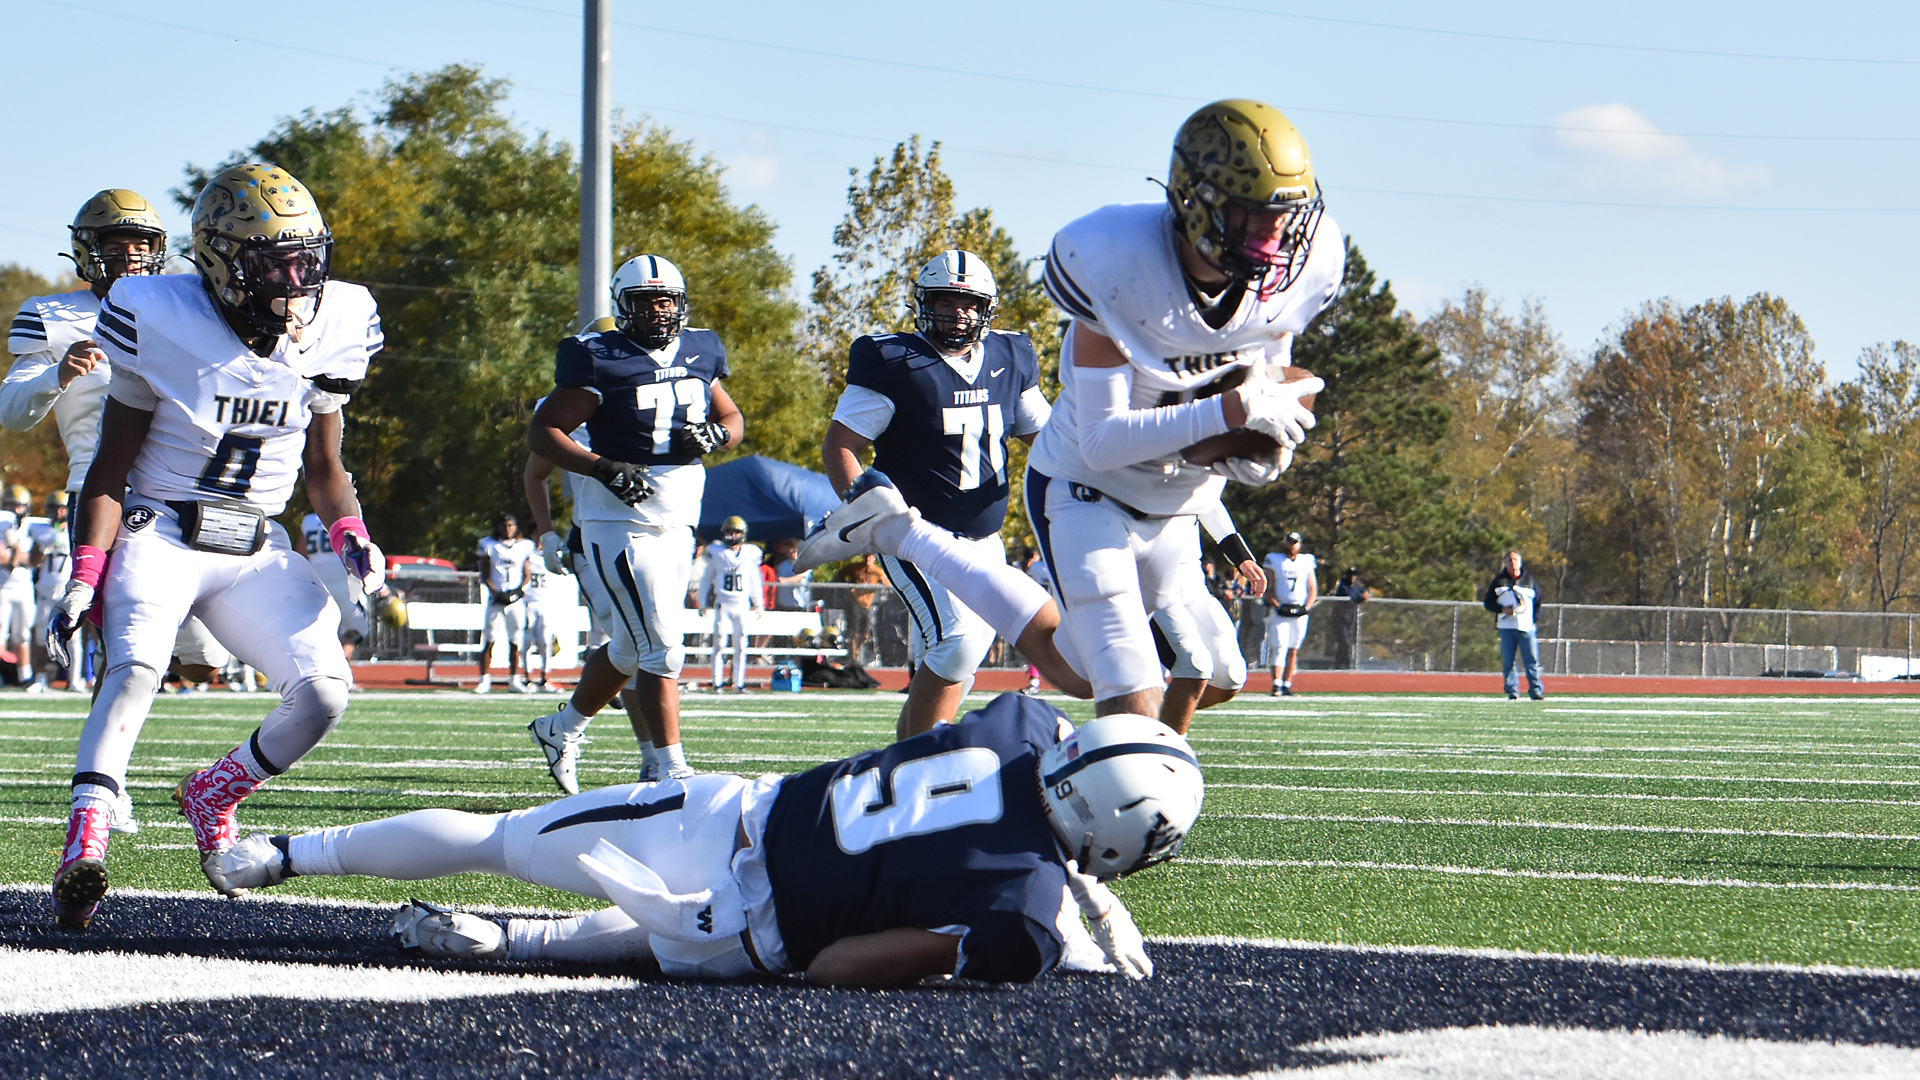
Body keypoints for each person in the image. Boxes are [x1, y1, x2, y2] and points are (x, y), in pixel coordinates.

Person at [204, 693, 1199, 986]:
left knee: (496, 836)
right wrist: (1050, 926)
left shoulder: (1020, 724)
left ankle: (286, 856)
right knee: (687, 939)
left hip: (730, 814)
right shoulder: (1022, 910)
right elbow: (842, 965)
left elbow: (1019, 784)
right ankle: (512, 945)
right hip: (741, 931)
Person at [48, 163, 385, 930]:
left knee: (326, 691)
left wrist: (352, 533)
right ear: (220, 261)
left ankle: (215, 792)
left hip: (257, 545)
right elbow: (108, 469)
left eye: (305, 258)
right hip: (161, 527)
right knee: (135, 668)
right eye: (273, 261)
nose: (295, 278)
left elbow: (327, 471)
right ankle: (86, 842)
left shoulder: (338, 322)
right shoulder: (157, 314)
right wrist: (84, 574)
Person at [1021, 99, 1342, 732]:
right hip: (1089, 489)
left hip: (1175, 507)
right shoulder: (1117, 263)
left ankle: (1149, 758)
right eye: (1255, 215)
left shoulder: (1293, 276)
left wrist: (1265, 445)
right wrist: (1228, 411)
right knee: (1122, 677)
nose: (1275, 238)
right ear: (1199, 200)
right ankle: (991, 597)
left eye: (1285, 218)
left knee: (1208, 673)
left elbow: (1267, 386)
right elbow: (1103, 442)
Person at [5, 188, 236, 706]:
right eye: (117, 244)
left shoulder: (184, 302)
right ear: (88, 249)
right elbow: (11, 412)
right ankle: (99, 775)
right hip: (103, 493)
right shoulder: (56, 314)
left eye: (141, 244)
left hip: (181, 490)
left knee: (203, 662)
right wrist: (56, 375)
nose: (131, 256)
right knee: (126, 648)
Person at [525, 255, 742, 795]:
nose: (655, 310)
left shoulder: (702, 348)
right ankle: (670, 768)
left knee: (628, 645)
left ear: (680, 300)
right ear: (622, 307)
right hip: (615, 522)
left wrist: (717, 436)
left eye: (663, 299)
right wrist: (601, 467)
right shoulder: (598, 359)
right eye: (642, 301)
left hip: (678, 519)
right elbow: (542, 433)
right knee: (662, 647)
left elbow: (732, 418)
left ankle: (561, 728)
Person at [822, 251, 1053, 741]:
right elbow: (841, 445)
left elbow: (1050, 440)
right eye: (947, 303)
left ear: (986, 308)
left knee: (964, 653)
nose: (958, 314)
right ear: (925, 304)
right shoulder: (894, 361)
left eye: (969, 304)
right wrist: (869, 509)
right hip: (916, 532)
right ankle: (916, 766)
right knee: (957, 642)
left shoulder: (1010, 357)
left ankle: (908, 757)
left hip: (984, 536)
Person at [699, 516, 762, 692]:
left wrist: (759, 603)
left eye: (736, 532)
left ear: (743, 534)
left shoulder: (751, 553)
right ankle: (716, 682)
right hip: (723, 604)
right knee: (719, 644)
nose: (733, 535)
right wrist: (702, 603)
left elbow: (754, 580)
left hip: (742, 604)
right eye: (730, 532)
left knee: (741, 646)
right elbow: (706, 579)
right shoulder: (716, 552)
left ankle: (738, 683)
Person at [476, 512, 535, 694]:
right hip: (496, 599)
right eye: (504, 526)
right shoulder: (488, 544)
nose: (507, 529)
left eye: (511, 525)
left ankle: (514, 679)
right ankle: (484, 679)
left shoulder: (524, 546)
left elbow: (527, 574)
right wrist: (496, 591)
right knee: (490, 639)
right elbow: (485, 574)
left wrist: (518, 591)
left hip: (515, 600)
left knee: (516, 641)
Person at [301, 509, 367, 661]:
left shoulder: (309, 520)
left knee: (326, 630)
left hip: (319, 581)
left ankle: (339, 674)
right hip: (346, 582)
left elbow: (301, 553)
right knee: (356, 630)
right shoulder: (347, 516)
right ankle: (337, 665)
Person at [28, 491, 77, 692]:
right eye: (54, 508)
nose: (58, 512)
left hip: (68, 590)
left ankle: (74, 680)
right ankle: (40, 678)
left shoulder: (76, 530)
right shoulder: (40, 531)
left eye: (62, 508)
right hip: (46, 590)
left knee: (72, 638)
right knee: (40, 636)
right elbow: (32, 561)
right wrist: (43, 546)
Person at [1484, 549, 1544, 701]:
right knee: (1508, 661)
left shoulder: (1529, 581)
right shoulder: (1499, 581)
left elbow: (1538, 602)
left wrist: (1534, 619)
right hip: (1507, 628)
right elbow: (1488, 603)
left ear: (1520, 561)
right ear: (1504, 563)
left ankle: (1535, 690)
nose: (1513, 563)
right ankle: (1512, 691)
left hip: (1526, 628)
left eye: (1515, 559)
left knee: (1531, 661)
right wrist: (1502, 609)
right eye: (1509, 560)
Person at [1262, 531, 1317, 696]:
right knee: (1279, 646)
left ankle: (1287, 684)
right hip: (1280, 611)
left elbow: (1312, 588)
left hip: (1299, 611)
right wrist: (1277, 605)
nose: (1292, 545)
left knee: (1293, 648)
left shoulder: (1306, 560)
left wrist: (1307, 607)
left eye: (1295, 542)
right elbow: (1268, 587)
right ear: (1285, 542)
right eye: (1290, 541)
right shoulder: (1275, 559)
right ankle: (1276, 684)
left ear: (1299, 544)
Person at [0, 486, 36, 687]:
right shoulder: (2, 522)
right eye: (11, 505)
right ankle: (4, 676)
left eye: (19, 505)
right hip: (2, 585)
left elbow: (36, 559)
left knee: (23, 634)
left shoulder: (31, 525)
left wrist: (19, 555)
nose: (15, 509)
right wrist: (20, 554)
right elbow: (5, 557)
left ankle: (25, 677)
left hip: (24, 585)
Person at [1329, 566, 1368, 670]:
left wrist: (1365, 594)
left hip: (1351, 619)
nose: (1352, 577)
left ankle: (1340, 665)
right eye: (1350, 575)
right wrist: (1360, 598)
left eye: (1354, 575)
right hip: (1341, 619)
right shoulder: (1343, 585)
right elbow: (1350, 596)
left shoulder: (1357, 586)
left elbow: (1363, 591)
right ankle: (1345, 665)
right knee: (1344, 642)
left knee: (1348, 642)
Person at [767, 537, 811, 611]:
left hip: (799, 605)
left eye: (787, 548)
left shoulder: (806, 563)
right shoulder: (782, 565)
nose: (785, 551)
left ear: (794, 548)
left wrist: (784, 580)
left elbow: (799, 578)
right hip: (783, 604)